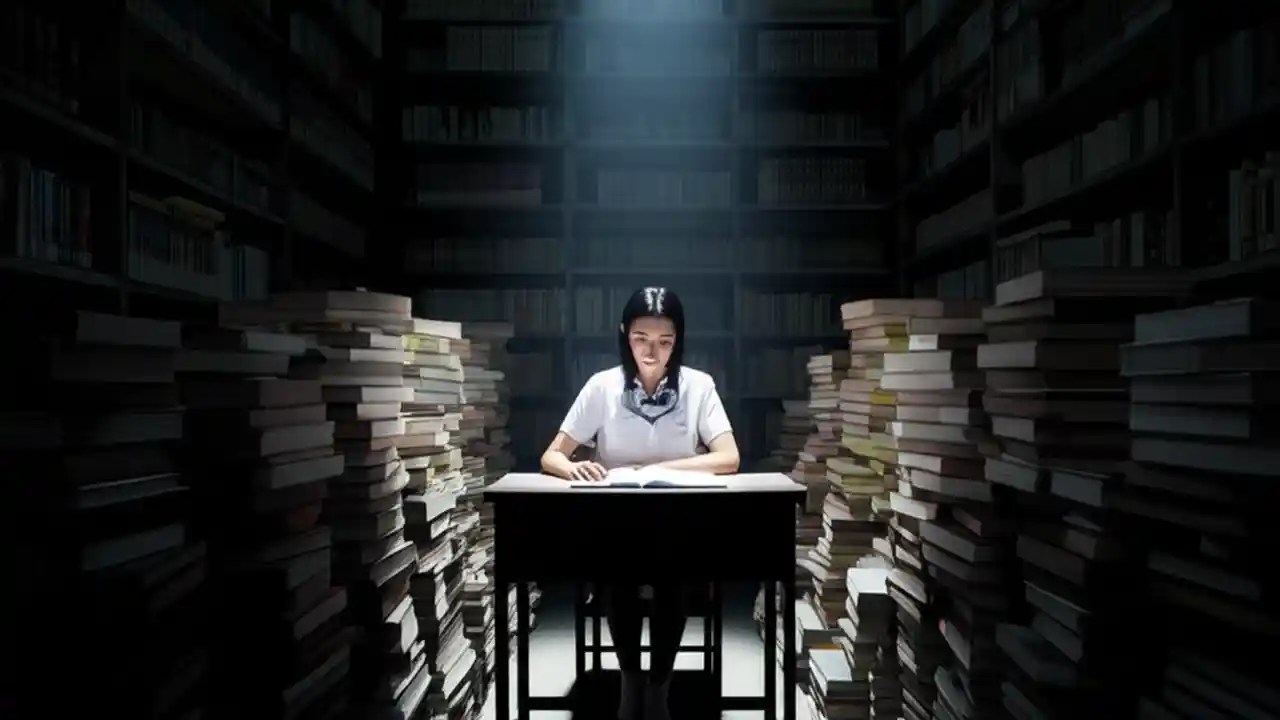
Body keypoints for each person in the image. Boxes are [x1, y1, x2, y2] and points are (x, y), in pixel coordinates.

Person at [540, 286, 740, 720]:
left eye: (665, 342)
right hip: (614, 523)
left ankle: (660, 687)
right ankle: (631, 682)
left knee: (673, 577)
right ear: (624, 336)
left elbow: (729, 458)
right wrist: (572, 468)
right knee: (619, 576)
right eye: (640, 339)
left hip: (677, 522)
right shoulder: (603, 386)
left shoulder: (698, 386)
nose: (652, 352)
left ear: (679, 341)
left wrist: (664, 467)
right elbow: (551, 454)